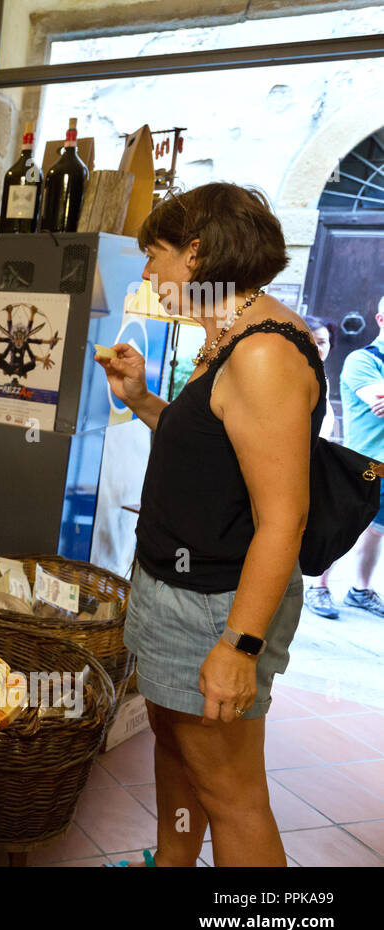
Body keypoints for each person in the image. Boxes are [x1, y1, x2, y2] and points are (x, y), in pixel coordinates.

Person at [97, 183, 324, 867]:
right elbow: (213, 452)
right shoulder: (225, 336)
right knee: (175, 748)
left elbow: (284, 519)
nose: (148, 275)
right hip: (177, 593)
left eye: (155, 256)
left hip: (215, 606)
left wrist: (240, 647)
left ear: (195, 254)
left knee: (232, 794)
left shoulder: (263, 353)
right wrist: (141, 399)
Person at [334, 295, 384, 617]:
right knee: (341, 526)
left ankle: (360, 590)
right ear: (381, 321)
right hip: (364, 462)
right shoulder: (362, 360)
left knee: (378, 530)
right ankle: (319, 586)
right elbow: (378, 403)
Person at [301, 316, 342, 618]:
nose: (319, 347)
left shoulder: (322, 376)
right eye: (312, 340)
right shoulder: (293, 374)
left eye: (324, 341)